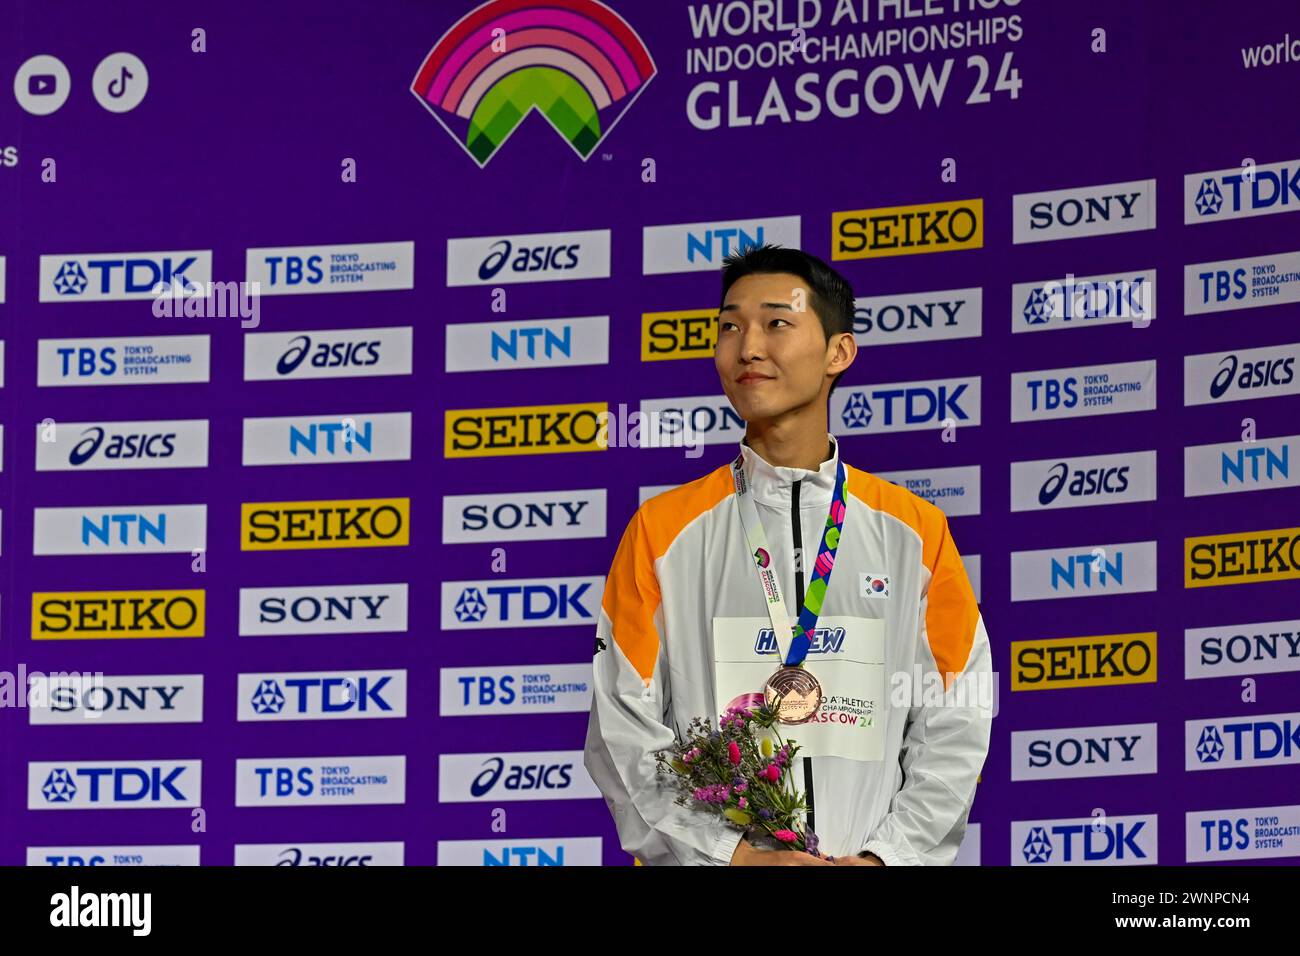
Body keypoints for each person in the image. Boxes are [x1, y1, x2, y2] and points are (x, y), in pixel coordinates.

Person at [583, 244, 992, 866]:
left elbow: (956, 718)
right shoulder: (661, 531)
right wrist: (734, 855)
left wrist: (887, 858)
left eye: (777, 322)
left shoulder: (916, 532)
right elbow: (621, 736)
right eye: (729, 326)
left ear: (838, 352)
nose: (748, 347)